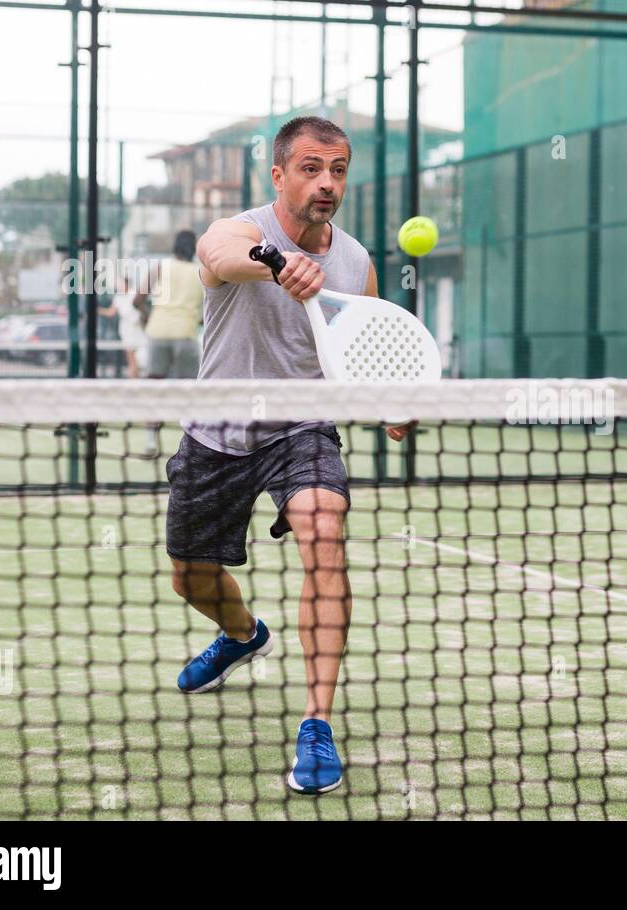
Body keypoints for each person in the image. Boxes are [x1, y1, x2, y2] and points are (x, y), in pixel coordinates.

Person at [171, 115, 411, 796]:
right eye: (310, 167)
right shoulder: (242, 230)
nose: (326, 181)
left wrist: (390, 403)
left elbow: (362, 350)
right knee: (190, 577)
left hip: (301, 426)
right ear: (278, 175)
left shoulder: (356, 261)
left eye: (337, 168)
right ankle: (243, 635)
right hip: (218, 428)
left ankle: (316, 723)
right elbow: (219, 255)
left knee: (324, 532)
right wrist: (278, 265)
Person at [138, 230, 204, 451]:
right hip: (186, 334)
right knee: (188, 392)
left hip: (158, 333)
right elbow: (206, 313)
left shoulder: (159, 267)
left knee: (155, 390)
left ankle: (149, 440)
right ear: (193, 248)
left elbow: (137, 299)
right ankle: (192, 444)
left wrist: (148, 317)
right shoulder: (200, 272)